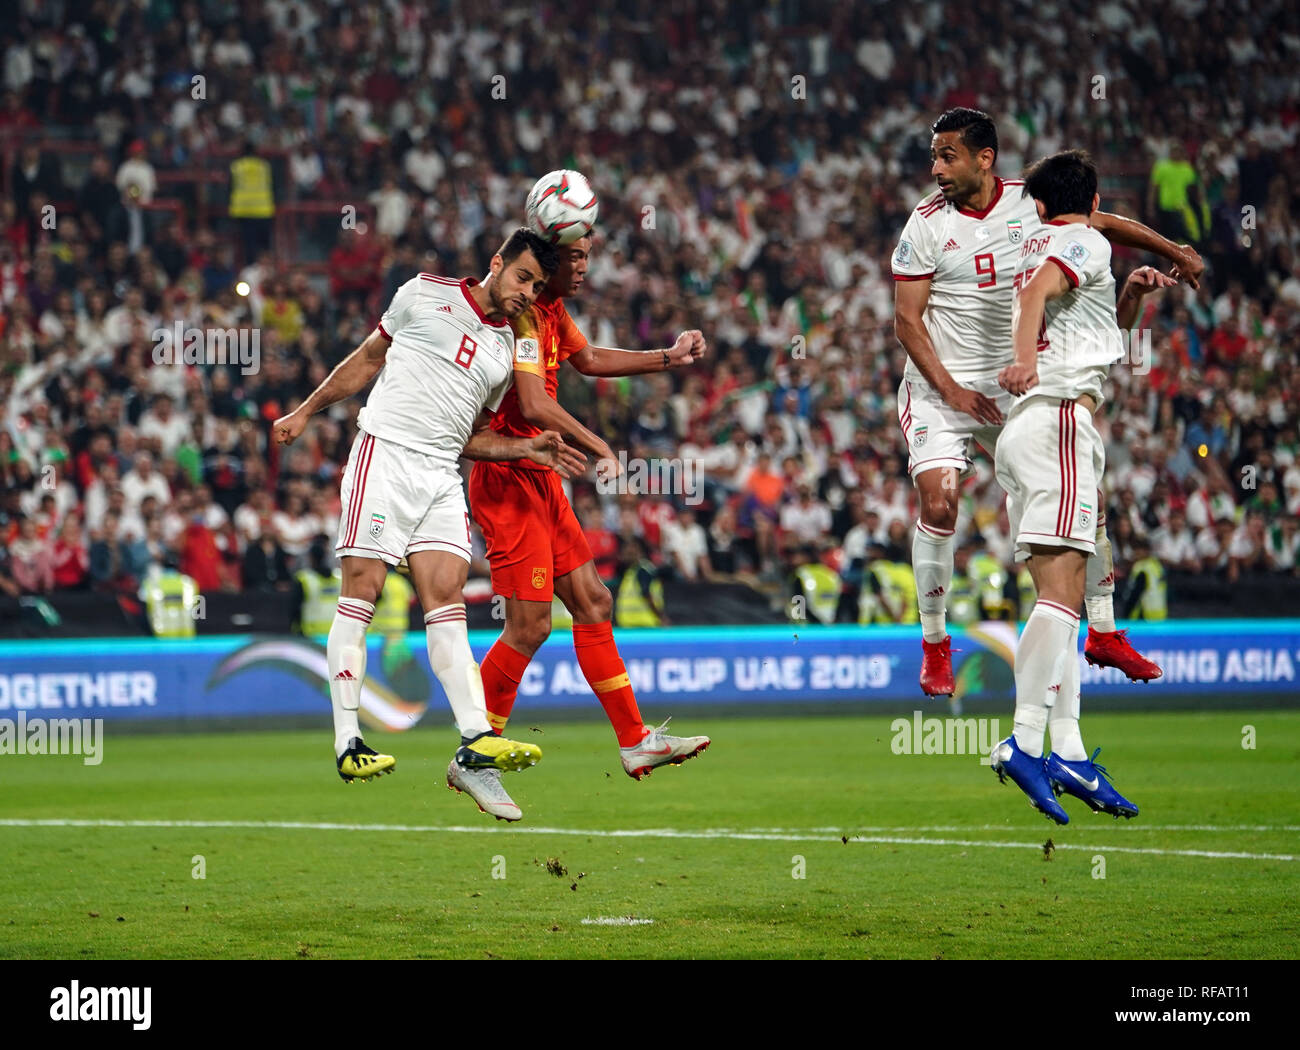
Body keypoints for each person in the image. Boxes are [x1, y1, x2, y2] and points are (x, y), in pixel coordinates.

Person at [272, 228, 585, 822]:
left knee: (447, 603)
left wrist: (529, 449)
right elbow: (368, 358)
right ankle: (348, 742)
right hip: (385, 454)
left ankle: (474, 738)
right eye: (522, 277)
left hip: (440, 475)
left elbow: (472, 438)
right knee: (361, 593)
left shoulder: (506, 352)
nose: (526, 293)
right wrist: (306, 412)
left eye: (538, 287)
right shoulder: (423, 293)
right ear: (496, 263)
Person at [890, 108, 1200, 698]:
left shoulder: (1025, 202)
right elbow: (907, 322)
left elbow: (1098, 223)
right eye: (933, 156)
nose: (935, 169)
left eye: (946, 155)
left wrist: (1173, 250)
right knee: (941, 501)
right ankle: (934, 642)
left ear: (985, 158)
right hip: (942, 388)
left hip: (1013, 384)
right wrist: (953, 391)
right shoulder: (924, 224)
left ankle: (1104, 629)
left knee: (1087, 492)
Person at [468, 225, 711, 782]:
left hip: (544, 475)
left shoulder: (551, 312)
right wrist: (597, 443)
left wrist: (667, 358)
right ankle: (478, 751)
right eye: (575, 257)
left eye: (587, 257)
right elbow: (530, 402)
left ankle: (635, 741)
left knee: (594, 602)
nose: (584, 267)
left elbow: (591, 358)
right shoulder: (522, 317)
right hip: (508, 473)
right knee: (528, 626)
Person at [989, 150, 1176, 825]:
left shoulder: (1039, 239)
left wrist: (1130, 298)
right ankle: (1023, 740)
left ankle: (1062, 748)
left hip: (1032, 429)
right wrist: (1020, 360)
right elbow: (1042, 292)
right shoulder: (1083, 239)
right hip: (1060, 419)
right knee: (1062, 601)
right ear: (1091, 199)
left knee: (1064, 588)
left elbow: (1083, 330)